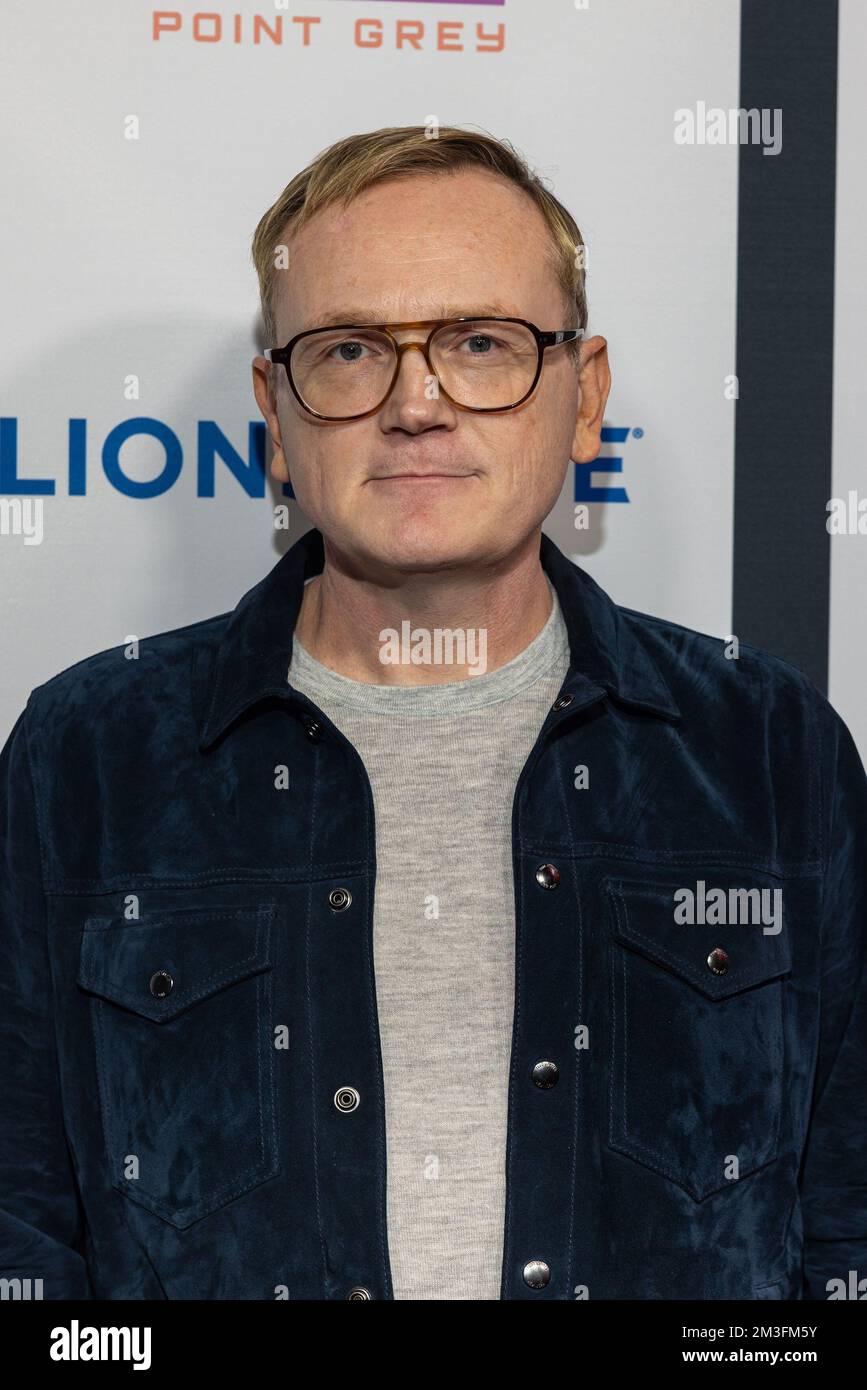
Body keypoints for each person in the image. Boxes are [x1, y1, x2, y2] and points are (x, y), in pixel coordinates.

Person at [0, 125, 864, 1301]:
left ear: (583, 395)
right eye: (350, 348)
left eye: (480, 341)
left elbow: (845, 1224)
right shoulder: (89, 753)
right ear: (276, 408)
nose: (418, 403)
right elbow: (22, 1225)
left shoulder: (767, 746)